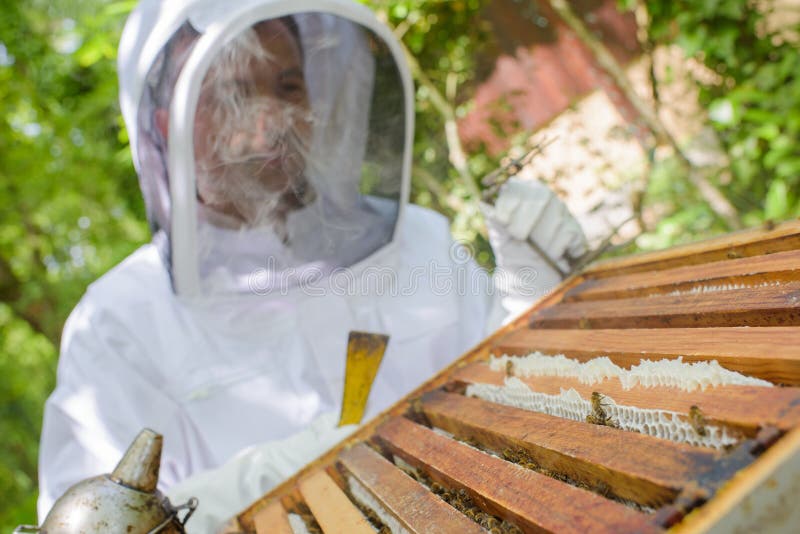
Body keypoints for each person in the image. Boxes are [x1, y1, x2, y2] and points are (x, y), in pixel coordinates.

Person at [37, 0, 586, 530]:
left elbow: (518, 403)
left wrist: (532, 302)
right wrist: (240, 495)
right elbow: (89, 520)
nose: (272, 117)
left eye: (288, 85)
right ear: (166, 123)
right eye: (231, 90)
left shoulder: (414, 238)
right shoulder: (117, 324)